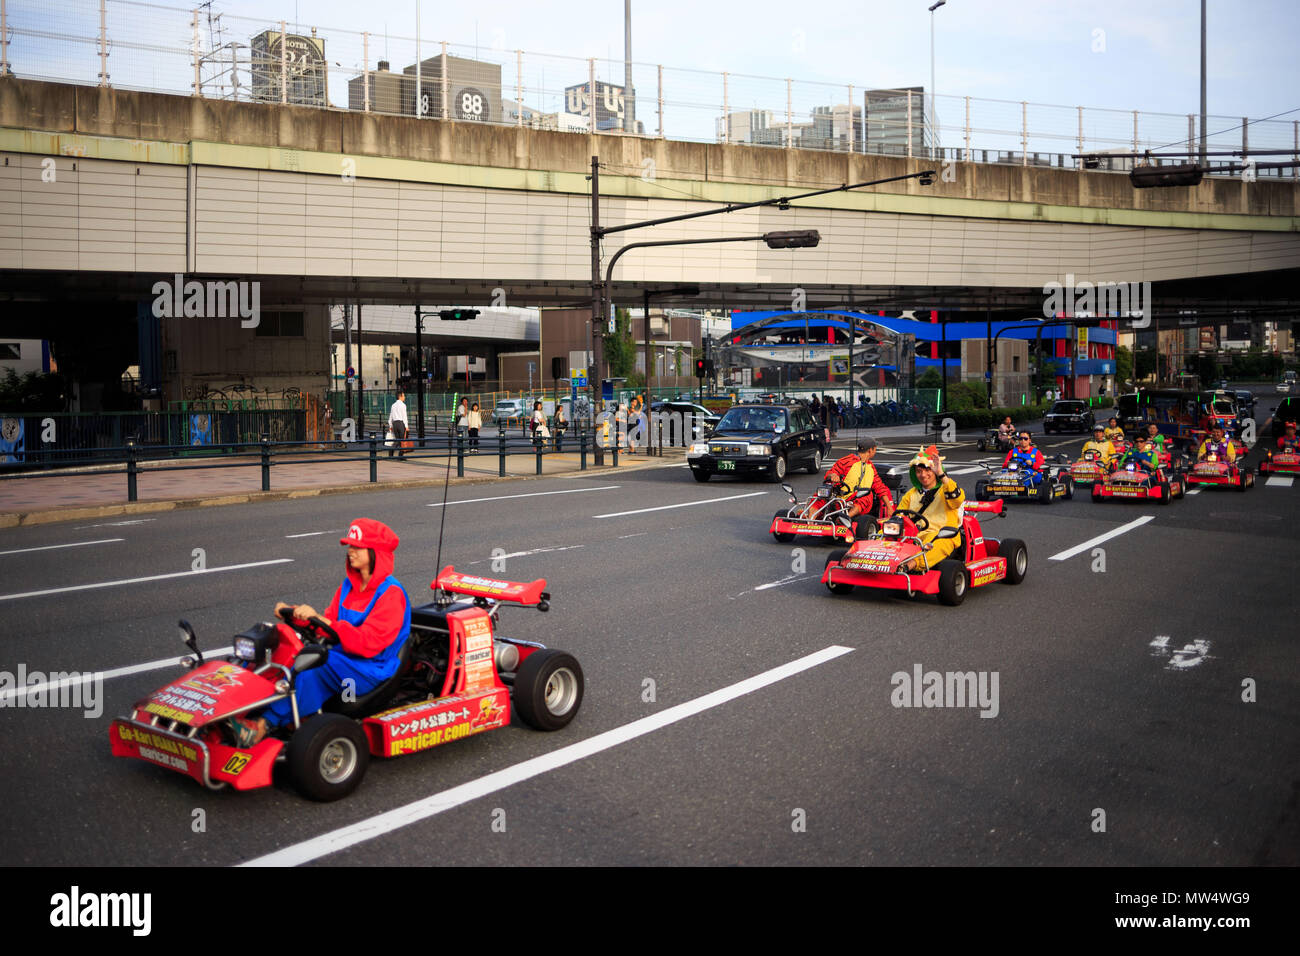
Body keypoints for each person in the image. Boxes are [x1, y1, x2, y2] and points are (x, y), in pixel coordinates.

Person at [227, 519, 411, 747]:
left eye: (356, 547)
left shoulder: (391, 595)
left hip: (370, 669)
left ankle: (261, 727)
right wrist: (296, 615)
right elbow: (326, 625)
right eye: (349, 546)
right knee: (284, 654)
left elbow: (368, 644)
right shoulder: (348, 587)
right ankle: (238, 709)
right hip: (343, 660)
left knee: (316, 663)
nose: (350, 552)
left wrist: (327, 623)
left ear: (375, 553)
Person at [895, 445, 966, 572]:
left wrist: (941, 474)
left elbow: (957, 500)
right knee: (883, 534)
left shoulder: (946, 489)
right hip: (914, 534)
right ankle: (868, 560)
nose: (923, 475)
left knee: (933, 545)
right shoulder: (911, 494)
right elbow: (899, 516)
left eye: (928, 470)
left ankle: (907, 566)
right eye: (919, 471)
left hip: (942, 534)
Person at [822, 438, 894, 527]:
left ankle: (845, 518)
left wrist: (889, 507)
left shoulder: (871, 468)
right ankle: (810, 518)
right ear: (870, 450)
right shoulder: (846, 461)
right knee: (822, 492)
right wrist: (833, 475)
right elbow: (830, 473)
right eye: (875, 449)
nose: (875, 451)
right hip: (839, 497)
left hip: (856, 501)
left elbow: (880, 488)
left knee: (867, 495)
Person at [387, 391, 408, 459]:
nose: (404, 397)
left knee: (397, 440)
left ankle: (391, 453)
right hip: (401, 423)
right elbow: (404, 416)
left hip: (395, 424)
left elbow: (391, 416)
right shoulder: (403, 405)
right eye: (403, 396)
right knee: (402, 440)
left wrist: (390, 425)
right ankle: (400, 456)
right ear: (400, 396)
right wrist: (406, 426)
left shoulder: (393, 405)